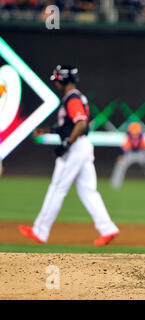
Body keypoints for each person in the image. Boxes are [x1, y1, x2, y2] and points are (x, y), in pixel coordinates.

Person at [18, 65, 120, 246]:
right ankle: (108, 229)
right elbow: (70, 125)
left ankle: (40, 231)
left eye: (57, 79)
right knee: (88, 191)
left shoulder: (72, 98)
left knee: (57, 188)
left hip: (76, 147)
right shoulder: (76, 96)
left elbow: (80, 124)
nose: (56, 82)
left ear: (63, 79)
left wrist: (67, 143)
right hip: (82, 146)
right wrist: (49, 130)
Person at [110, 121, 145, 189]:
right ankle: (115, 185)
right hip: (129, 153)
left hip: (140, 153)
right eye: (133, 132)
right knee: (120, 164)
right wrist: (121, 156)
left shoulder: (141, 136)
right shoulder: (127, 136)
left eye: (136, 132)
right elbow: (124, 148)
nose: (134, 134)